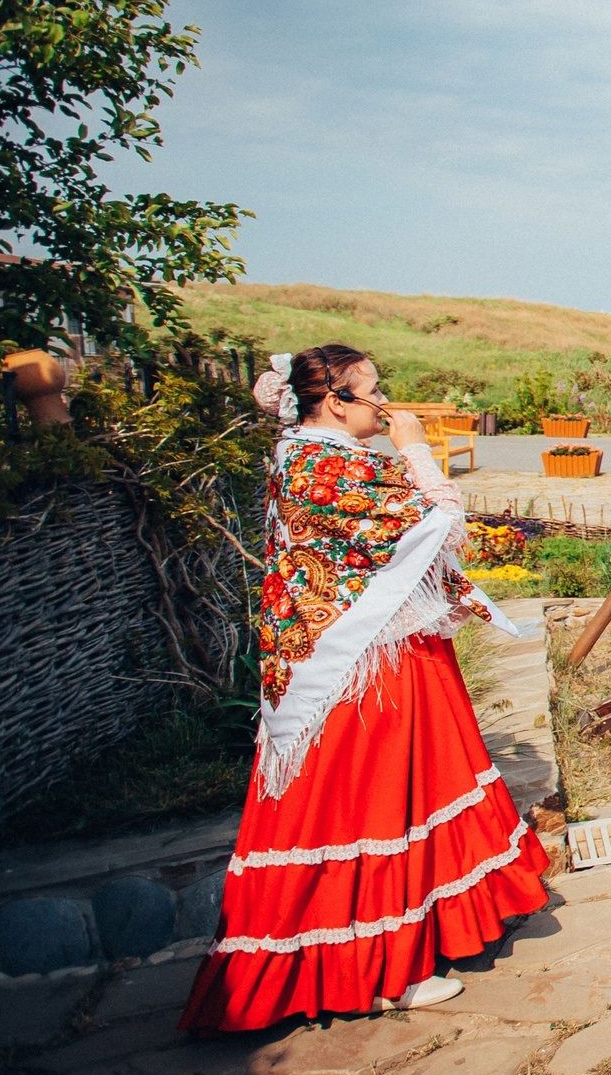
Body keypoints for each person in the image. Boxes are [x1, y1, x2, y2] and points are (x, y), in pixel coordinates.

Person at [185, 347, 551, 1032]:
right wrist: (415, 449)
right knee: (370, 806)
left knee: (396, 801)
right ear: (336, 402)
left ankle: (399, 947)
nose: (384, 403)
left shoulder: (305, 453)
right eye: (372, 392)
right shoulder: (329, 463)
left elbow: (368, 553)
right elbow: (436, 522)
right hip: (352, 672)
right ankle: (381, 969)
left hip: (355, 655)